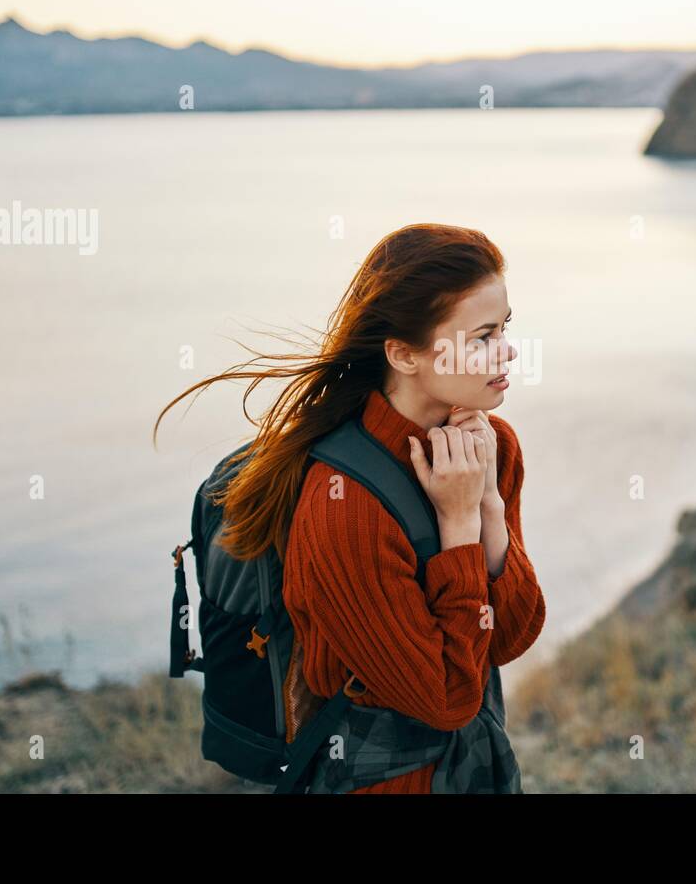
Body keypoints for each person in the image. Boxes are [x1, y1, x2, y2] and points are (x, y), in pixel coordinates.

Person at [156, 222, 545, 792]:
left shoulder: (491, 446)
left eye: (505, 328)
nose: (509, 350)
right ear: (403, 354)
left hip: (474, 769)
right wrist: (459, 526)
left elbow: (508, 637)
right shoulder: (345, 506)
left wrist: (486, 504)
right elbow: (446, 697)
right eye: (482, 336)